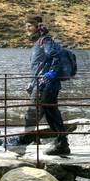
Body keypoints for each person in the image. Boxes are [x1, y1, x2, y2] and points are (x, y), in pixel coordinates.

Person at [20, 15, 71, 156]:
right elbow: (39, 65)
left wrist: (52, 73)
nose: (27, 29)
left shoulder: (45, 40)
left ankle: (23, 142)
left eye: (29, 25)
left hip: (45, 84)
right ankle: (62, 143)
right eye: (26, 26)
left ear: (38, 27)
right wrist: (32, 83)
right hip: (44, 84)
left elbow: (55, 56)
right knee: (51, 113)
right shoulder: (39, 42)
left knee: (32, 112)